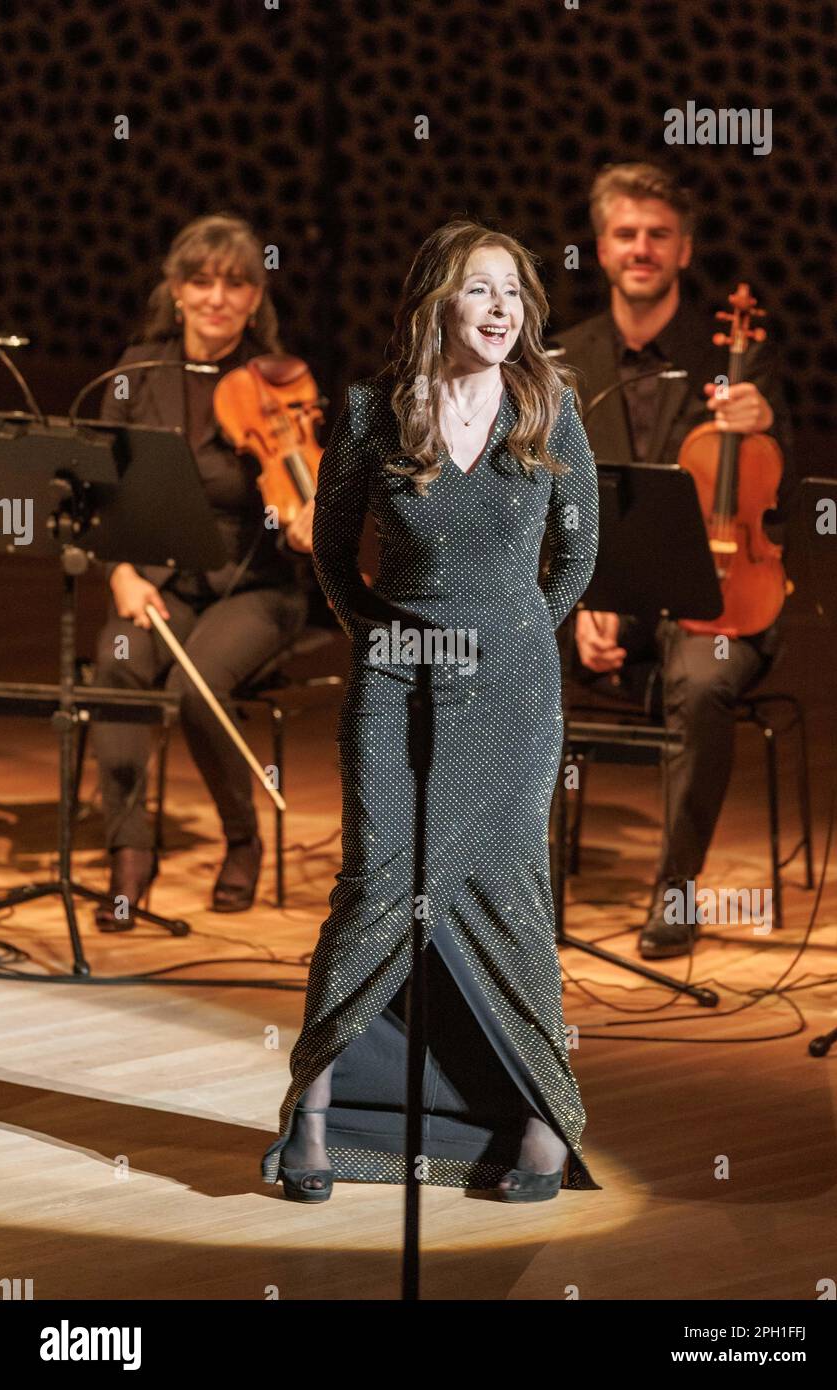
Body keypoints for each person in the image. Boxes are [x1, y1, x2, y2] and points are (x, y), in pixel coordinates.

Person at [261, 219, 600, 1204]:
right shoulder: (371, 410)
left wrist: (513, 640)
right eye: (477, 291)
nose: (500, 310)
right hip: (395, 682)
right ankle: (312, 1117)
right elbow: (329, 550)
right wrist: (382, 632)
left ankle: (543, 1121)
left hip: (513, 694)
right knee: (372, 884)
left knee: (509, 889)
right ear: (435, 305)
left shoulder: (549, 405)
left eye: (512, 293)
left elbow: (576, 555)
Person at [550, 163, 797, 960]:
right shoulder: (568, 359)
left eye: (659, 234)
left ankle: (677, 892)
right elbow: (546, 500)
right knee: (492, 655)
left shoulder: (736, 352)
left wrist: (765, 424)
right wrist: (584, 598)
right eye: (627, 234)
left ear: (685, 250)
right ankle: (506, 884)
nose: (642, 248)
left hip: (719, 600)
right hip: (608, 597)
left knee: (702, 680)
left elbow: (774, 486)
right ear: (602, 248)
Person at [91, 213, 314, 926]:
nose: (217, 297)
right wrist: (121, 571)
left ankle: (242, 840)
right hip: (163, 578)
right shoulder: (136, 373)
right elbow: (101, 490)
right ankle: (129, 852)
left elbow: (306, 486)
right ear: (177, 290)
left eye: (236, 283)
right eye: (202, 281)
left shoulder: (278, 380)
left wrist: (311, 518)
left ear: (255, 298)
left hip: (256, 587)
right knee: (116, 658)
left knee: (197, 685)